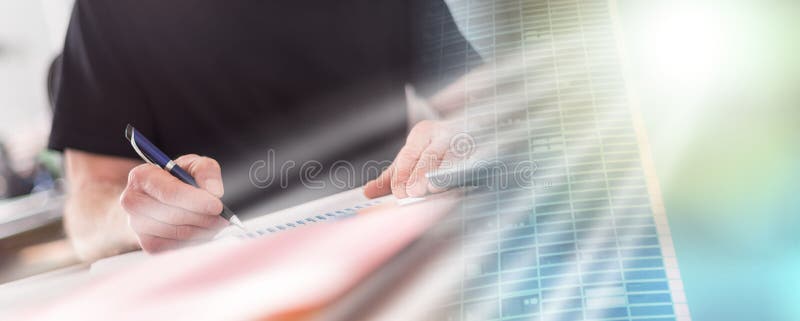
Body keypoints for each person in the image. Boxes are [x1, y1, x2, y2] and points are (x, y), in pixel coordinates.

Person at [49, 0, 480, 261]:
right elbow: (88, 209)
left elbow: (486, 100)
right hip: (225, 286)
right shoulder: (110, 10)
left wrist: (462, 133)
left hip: (397, 259)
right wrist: (137, 216)